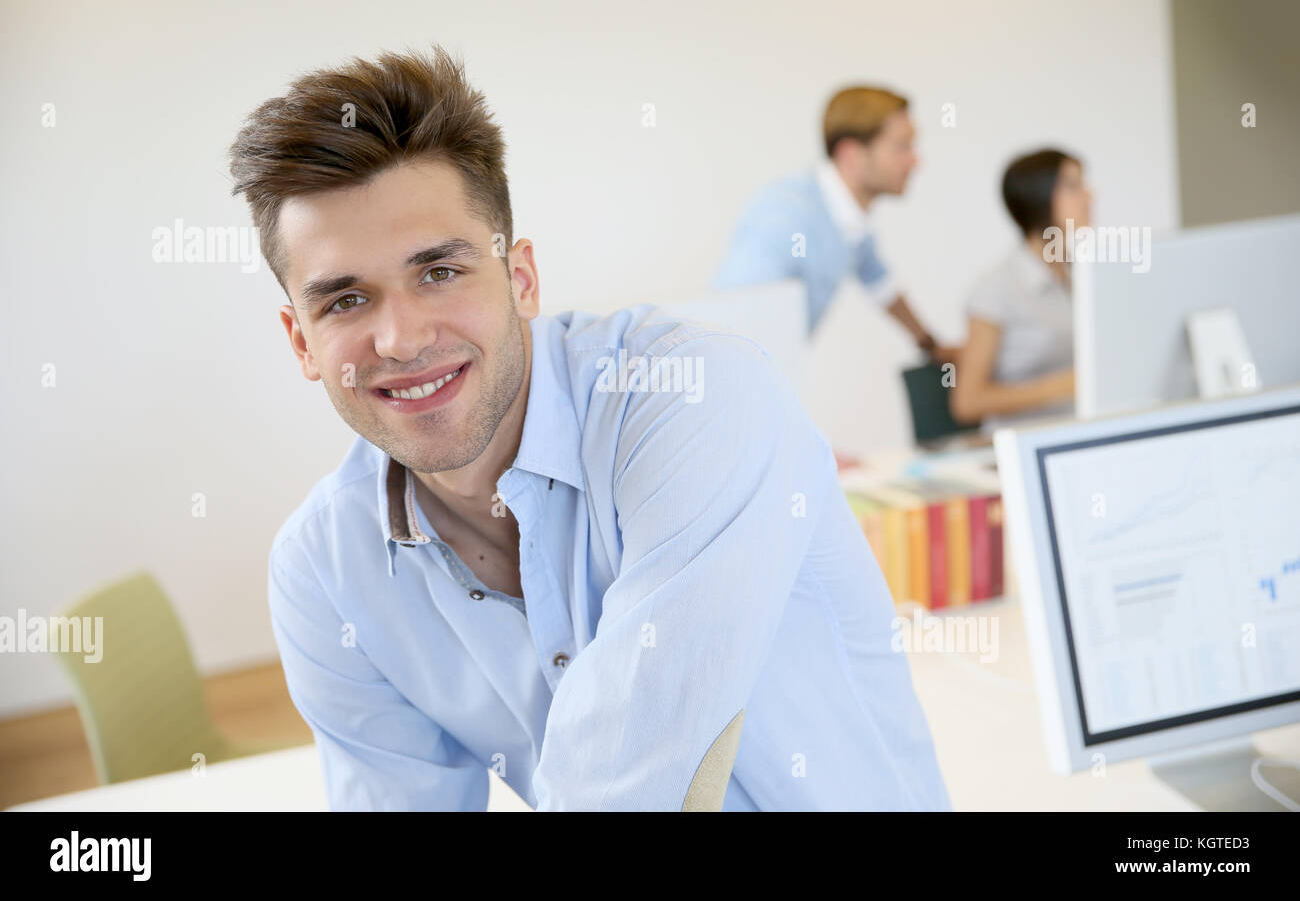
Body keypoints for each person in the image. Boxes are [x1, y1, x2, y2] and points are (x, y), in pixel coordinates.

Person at [228, 45, 950, 811]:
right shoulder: (325, 570)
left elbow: (621, 784)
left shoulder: (696, 397)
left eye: (438, 271)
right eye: (344, 301)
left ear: (521, 279)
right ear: (301, 340)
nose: (400, 339)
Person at [713, 85, 958, 365]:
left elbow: (882, 287)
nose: (916, 161)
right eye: (902, 147)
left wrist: (931, 346)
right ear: (851, 154)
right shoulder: (790, 215)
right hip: (737, 377)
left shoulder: (849, 221)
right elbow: (736, 318)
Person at [949, 148, 1091, 430]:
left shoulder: (1081, 278)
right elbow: (967, 402)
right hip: (1023, 445)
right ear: (1038, 198)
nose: (1089, 196)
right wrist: (1063, 386)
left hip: (1080, 434)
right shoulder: (997, 290)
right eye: (1073, 187)